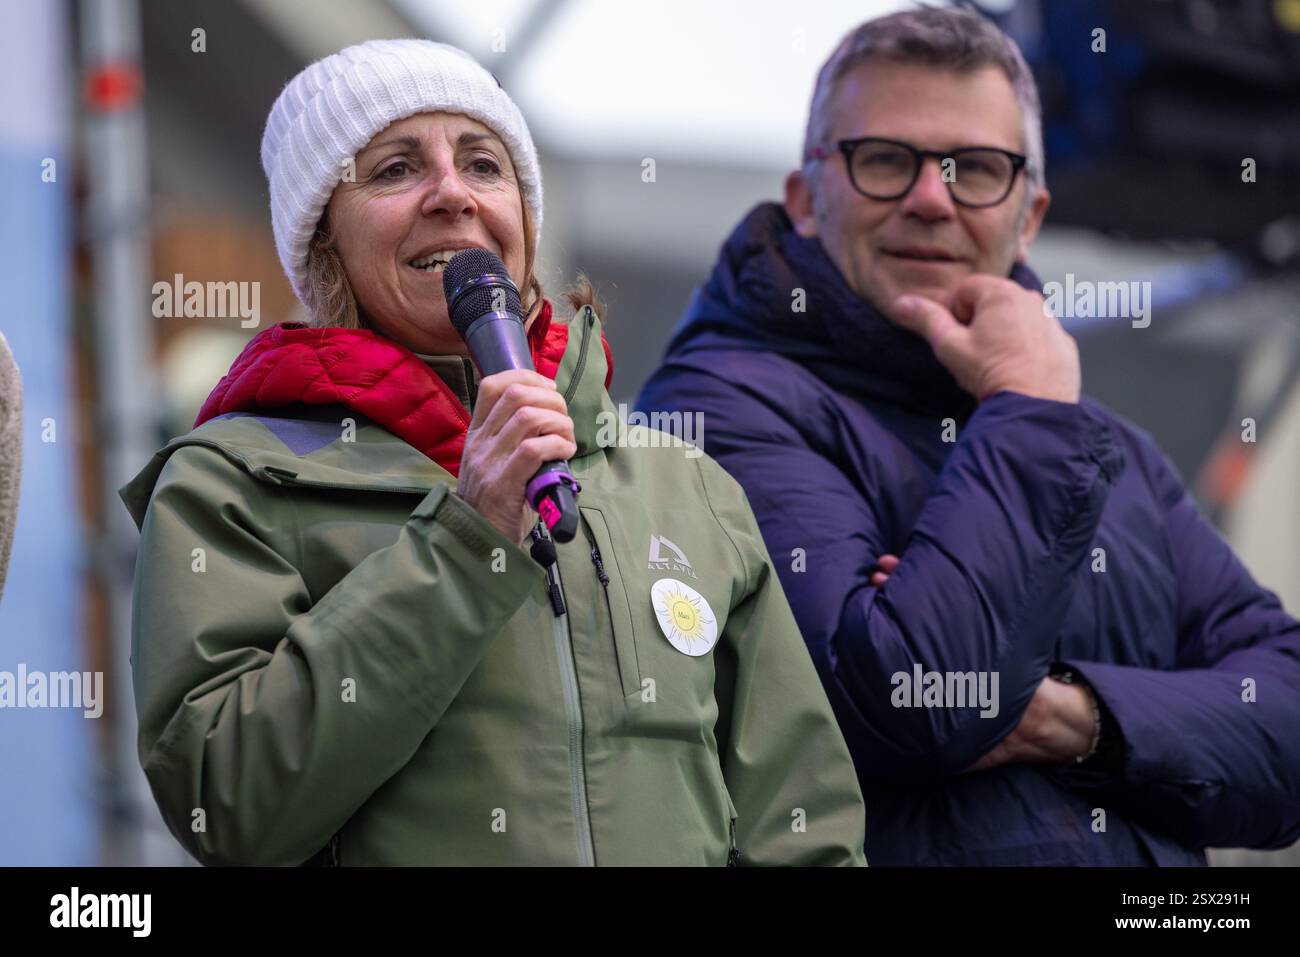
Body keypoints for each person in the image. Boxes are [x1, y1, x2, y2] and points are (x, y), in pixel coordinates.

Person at [119, 39, 865, 866]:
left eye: (483, 163)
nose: (451, 194)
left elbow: (803, 820)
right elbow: (225, 806)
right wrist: (466, 540)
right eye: (395, 169)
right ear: (322, 239)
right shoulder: (231, 480)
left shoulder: (685, 482)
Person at [637, 8, 1300, 865]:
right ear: (804, 199)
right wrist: (1024, 402)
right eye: (884, 160)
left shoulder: (1094, 439)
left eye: (976, 169)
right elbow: (907, 702)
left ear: (1028, 216)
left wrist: (1077, 718)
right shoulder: (719, 404)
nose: (929, 198)